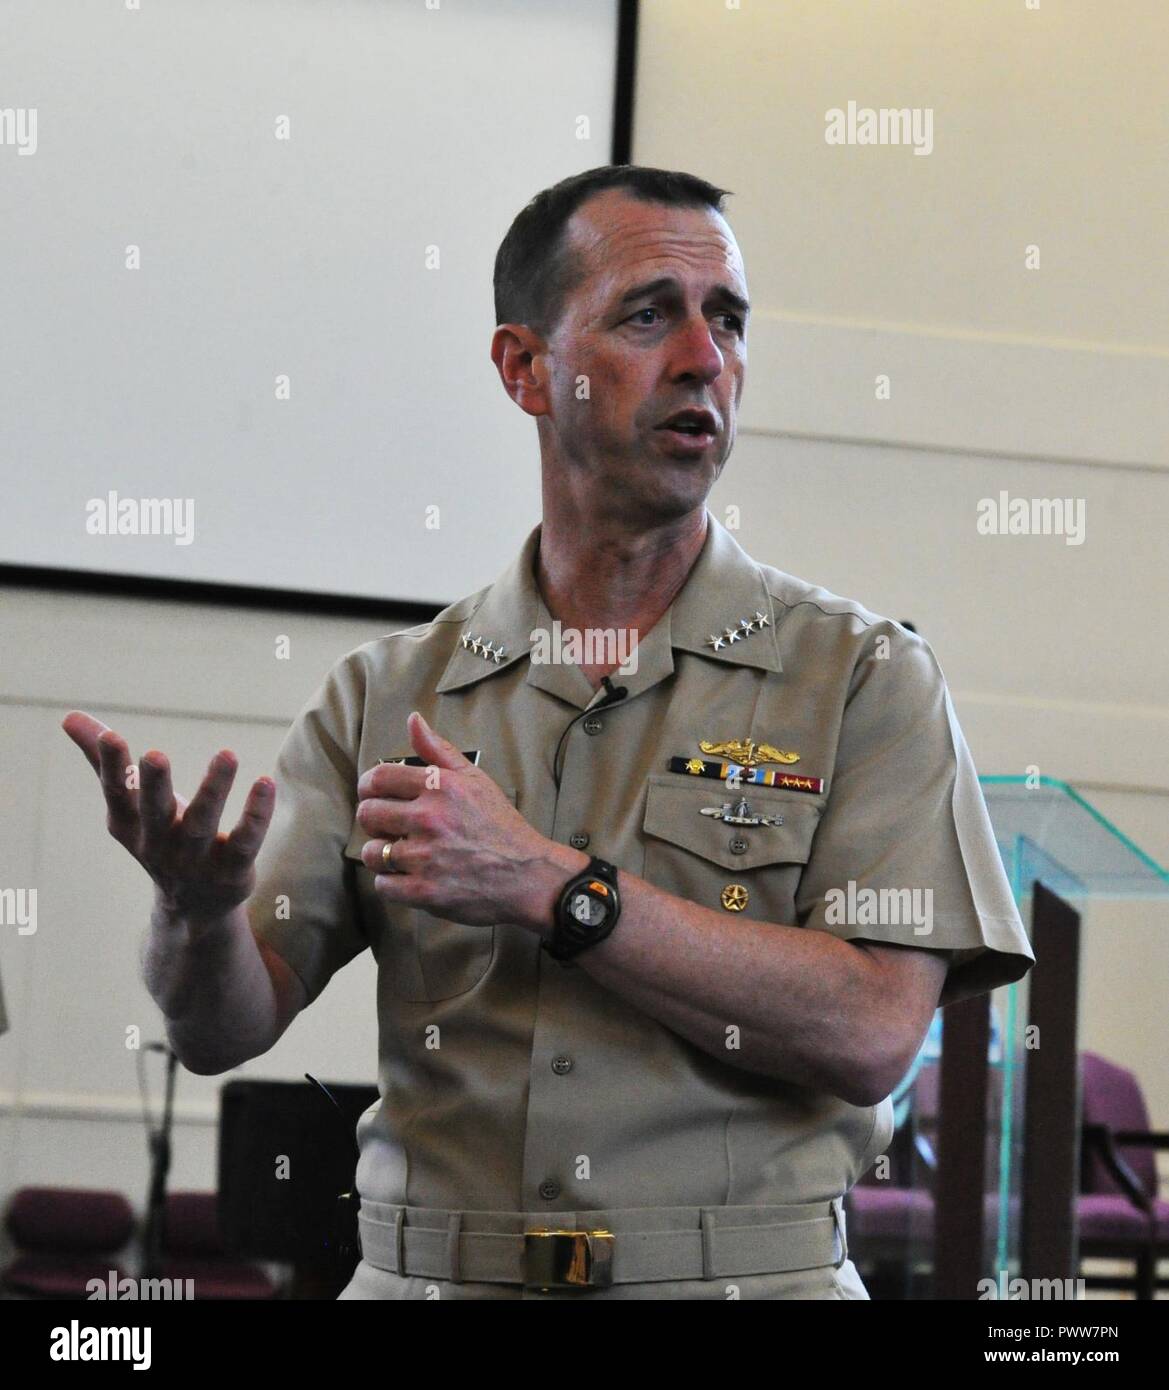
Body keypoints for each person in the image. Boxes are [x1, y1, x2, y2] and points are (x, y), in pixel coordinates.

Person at [63, 165, 1034, 1300]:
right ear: (526, 369)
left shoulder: (861, 676)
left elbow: (873, 1027)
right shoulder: (385, 696)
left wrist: (554, 887)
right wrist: (194, 917)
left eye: (726, 321)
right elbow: (227, 1023)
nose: (702, 358)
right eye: (646, 314)